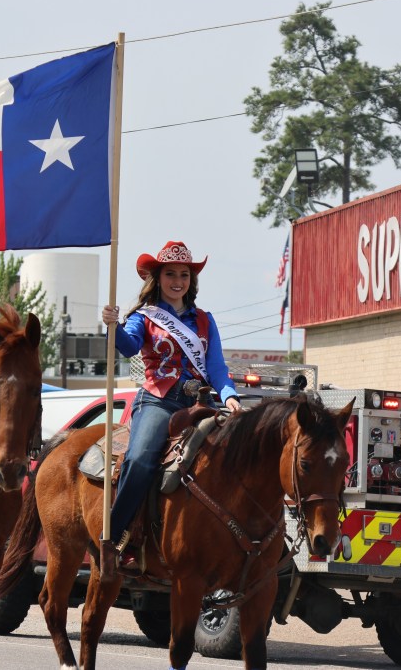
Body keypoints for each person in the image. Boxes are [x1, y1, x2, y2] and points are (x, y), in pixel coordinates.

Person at [100, 240, 242, 573]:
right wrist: (112, 326)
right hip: (159, 400)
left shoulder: (205, 320)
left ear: (192, 280)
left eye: (184, 275)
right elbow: (127, 348)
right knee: (140, 459)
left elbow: (216, 366)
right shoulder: (145, 317)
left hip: (201, 402)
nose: (178, 281)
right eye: (170, 274)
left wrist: (229, 396)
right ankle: (116, 538)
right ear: (158, 278)